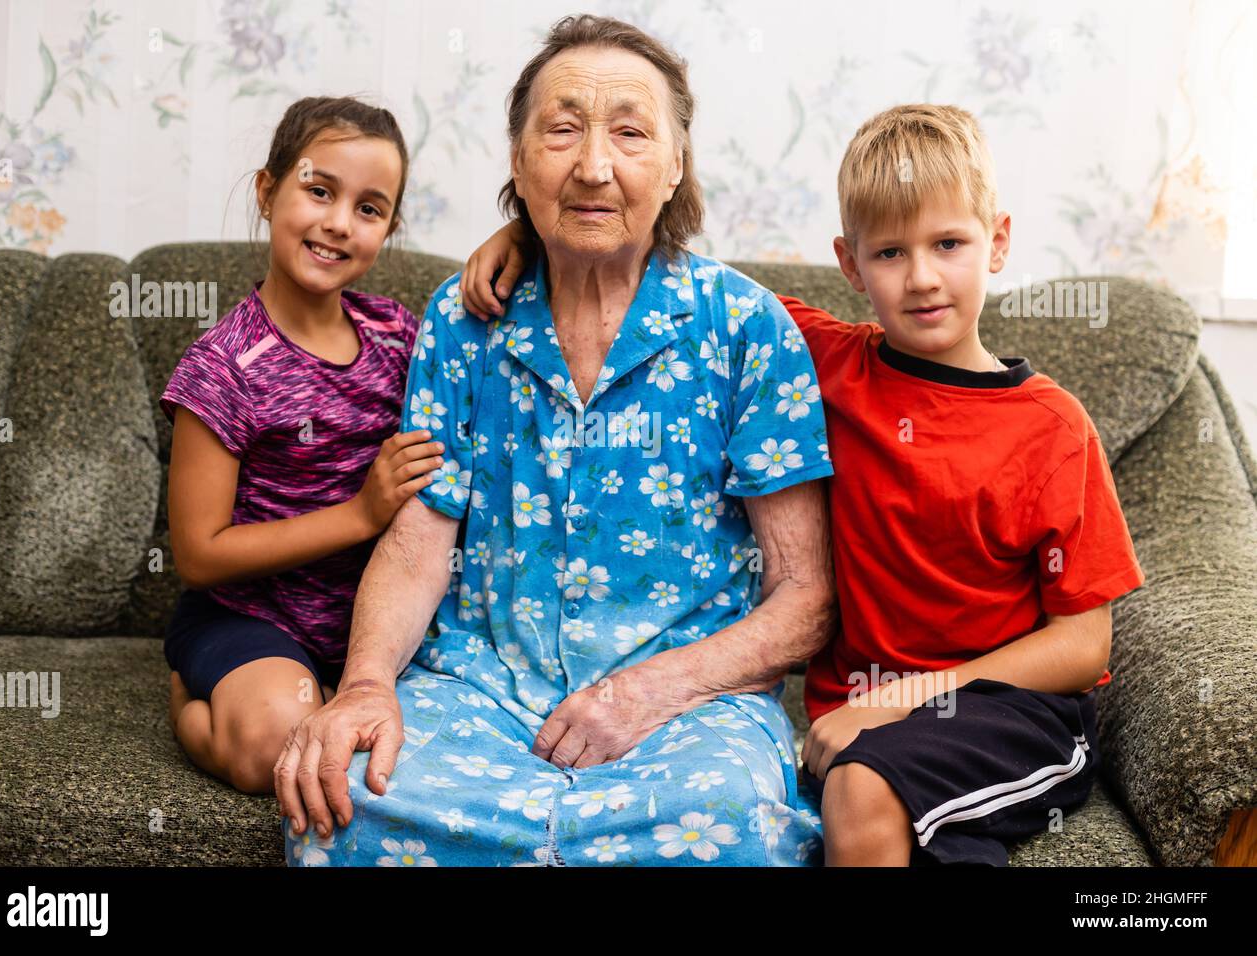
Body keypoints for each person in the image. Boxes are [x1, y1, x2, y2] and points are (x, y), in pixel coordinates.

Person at [465, 103, 1145, 867]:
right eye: (890, 253)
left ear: (998, 242)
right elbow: (665, 276)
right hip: (855, 719)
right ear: (850, 265)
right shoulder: (815, 357)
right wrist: (529, 234)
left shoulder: (1052, 427)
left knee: (859, 790)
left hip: (1014, 714)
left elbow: (1084, 647)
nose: (922, 277)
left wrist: (899, 699)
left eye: (948, 243)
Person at [273, 15, 837, 866]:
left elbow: (805, 596)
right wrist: (363, 685)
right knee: (343, 806)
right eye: (562, 129)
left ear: (676, 162)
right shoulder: (462, 323)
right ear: (517, 159)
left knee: (734, 832)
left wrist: (649, 690)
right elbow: (423, 539)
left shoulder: (747, 328)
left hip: (687, 707)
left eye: (631, 133)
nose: (594, 166)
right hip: (479, 688)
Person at [162, 96, 439, 794]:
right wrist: (359, 515)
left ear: (389, 229)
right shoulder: (223, 366)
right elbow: (198, 554)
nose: (339, 223)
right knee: (276, 749)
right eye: (319, 191)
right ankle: (195, 702)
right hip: (250, 616)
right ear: (268, 191)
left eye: (370, 208)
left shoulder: (399, 336)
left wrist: (510, 244)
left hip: (369, 629)